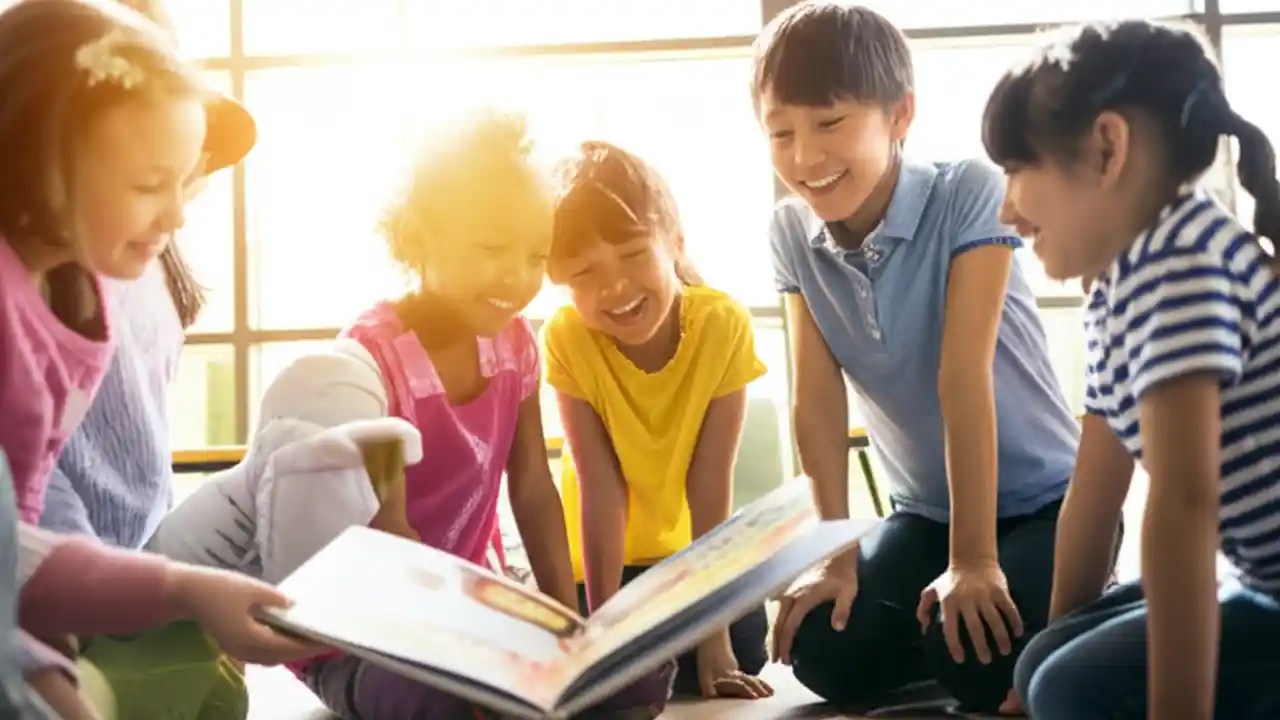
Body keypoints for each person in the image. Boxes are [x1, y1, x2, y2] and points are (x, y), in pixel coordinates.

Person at [752, 2, 1085, 713]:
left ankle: (1069, 605)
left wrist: (973, 560)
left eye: (830, 124)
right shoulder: (788, 233)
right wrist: (835, 559)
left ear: (899, 115)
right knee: (822, 649)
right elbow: (815, 402)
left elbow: (961, 375)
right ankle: (970, 629)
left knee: (973, 660)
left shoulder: (968, 190)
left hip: (1050, 503)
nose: (805, 156)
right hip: (925, 511)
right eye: (781, 132)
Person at [0, 1, 320, 716]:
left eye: (185, 181)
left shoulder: (78, 295)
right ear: (38, 162)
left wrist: (190, 590)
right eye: (148, 185)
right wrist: (44, 674)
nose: (176, 215)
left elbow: (14, 546)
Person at [986, 19, 1280, 720]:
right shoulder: (1122, 282)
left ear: (1107, 149)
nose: (1006, 208)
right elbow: (1095, 488)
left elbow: (1184, 504)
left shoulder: (1180, 266)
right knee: (1041, 669)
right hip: (1255, 574)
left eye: (1018, 170)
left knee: (1069, 691)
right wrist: (1039, 663)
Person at [543, 140, 772, 700]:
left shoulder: (723, 325)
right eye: (584, 272)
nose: (615, 288)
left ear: (674, 242)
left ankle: (679, 645)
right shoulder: (567, 337)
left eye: (633, 254)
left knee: (745, 641)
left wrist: (711, 633)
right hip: (598, 569)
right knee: (592, 643)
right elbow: (601, 488)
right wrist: (603, 631)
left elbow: (709, 480)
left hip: (682, 563)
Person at [39, 0, 257, 551]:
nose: (176, 207)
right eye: (146, 181)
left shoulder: (149, 259)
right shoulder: (32, 286)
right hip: (69, 564)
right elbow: (30, 471)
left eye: (188, 167)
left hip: (140, 543)